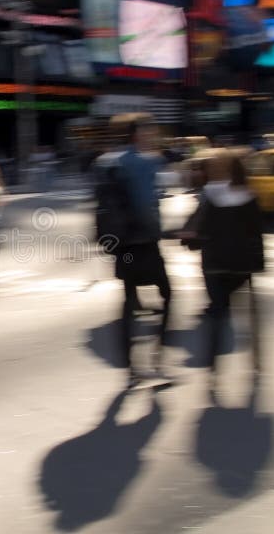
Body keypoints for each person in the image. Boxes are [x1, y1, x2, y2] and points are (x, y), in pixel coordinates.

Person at [94, 113, 172, 388]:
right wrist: (158, 231)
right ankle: (156, 362)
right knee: (168, 294)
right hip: (144, 243)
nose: (152, 136)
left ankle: (131, 370)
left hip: (121, 246)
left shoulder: (105, 162)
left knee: (129, 299)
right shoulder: (141, 162)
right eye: (149, 131)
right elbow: (144, 204)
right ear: (137, 133)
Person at [180, 152, 265, 392]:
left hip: (214, 265)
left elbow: (197, 230)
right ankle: (255, 360)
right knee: (249, 315)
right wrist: (257, 263)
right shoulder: (249, 194)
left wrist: (188, 240)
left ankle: (212, 370)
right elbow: (257, 233)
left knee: (217, 315)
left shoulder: (210, 194)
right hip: (242, 265)